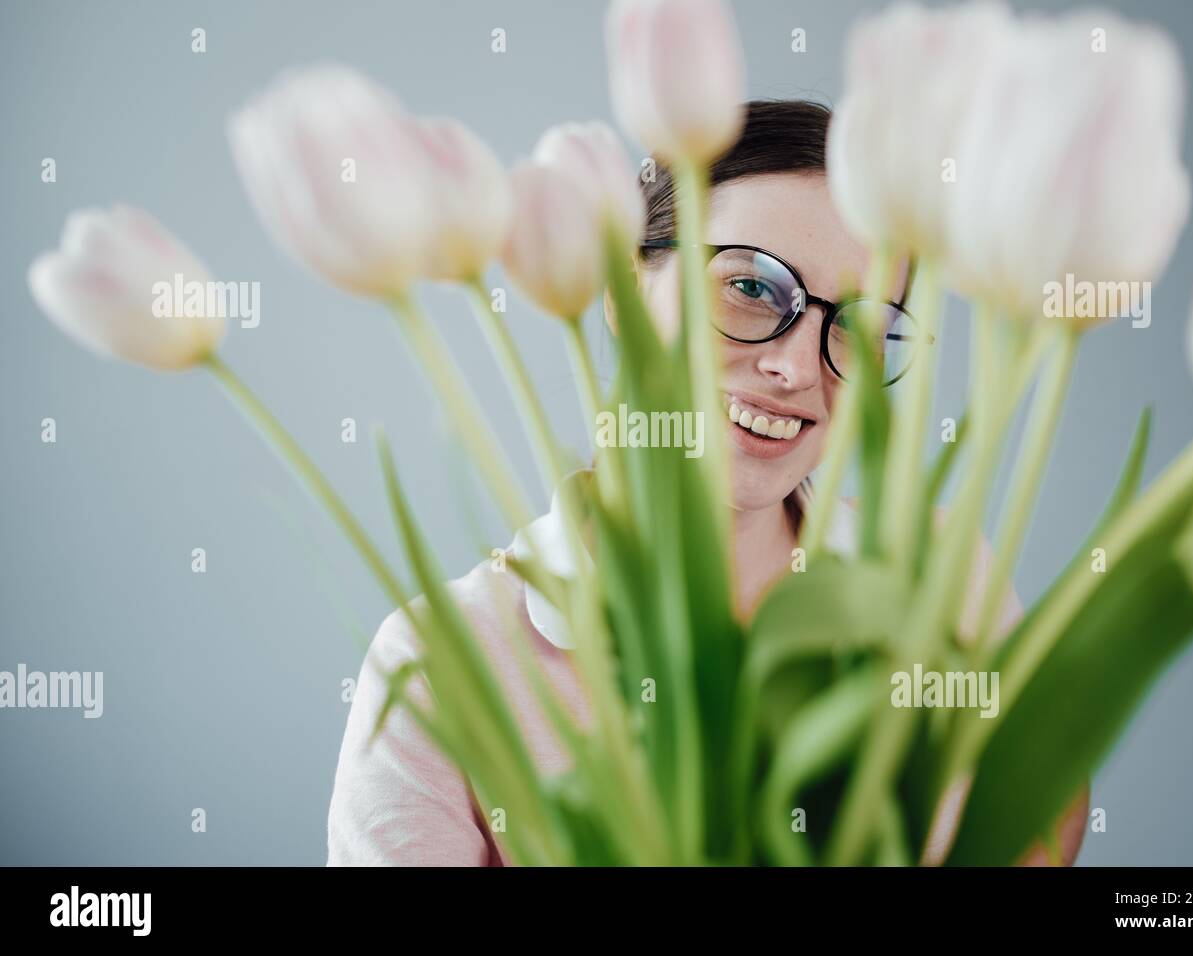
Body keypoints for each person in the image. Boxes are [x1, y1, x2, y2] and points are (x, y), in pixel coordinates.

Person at [326, 99, 1088, 866]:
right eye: (751, 289)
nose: (794, 369)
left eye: (856, 325)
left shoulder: (938, 570)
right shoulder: (444, 662)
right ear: (629, 286)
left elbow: (1038, 817)